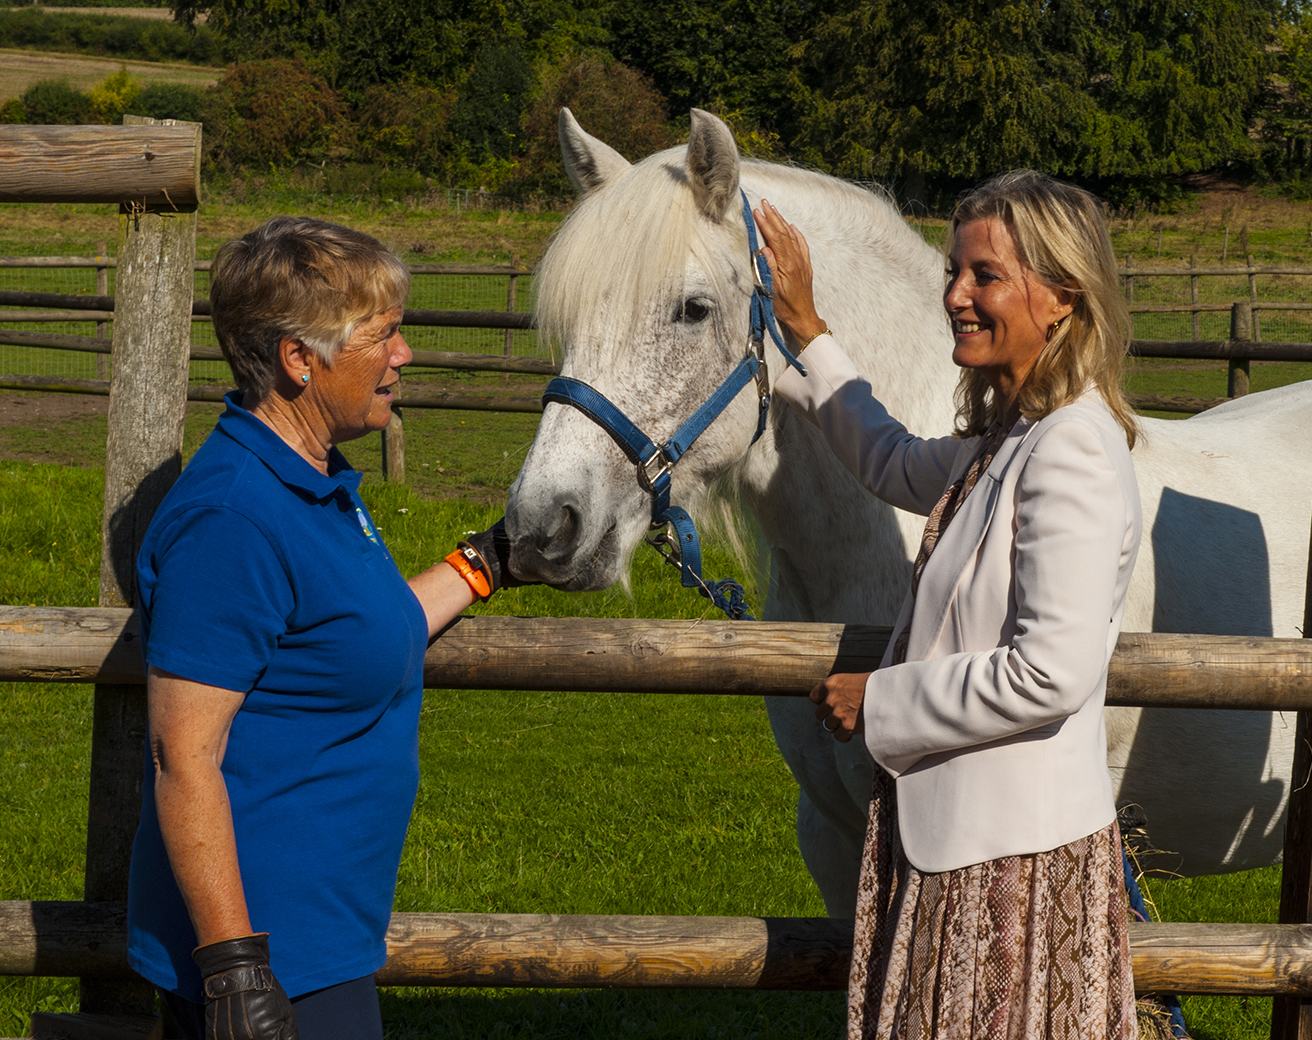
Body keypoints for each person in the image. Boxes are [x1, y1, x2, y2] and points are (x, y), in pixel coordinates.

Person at [754, 171, 1142, 1039]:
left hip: (1009, 867)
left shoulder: (1069, 449)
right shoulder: (1014, 435)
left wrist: (880, 696)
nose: (956, 297)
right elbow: (892, 461)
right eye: (954, 273)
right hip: (972, 848)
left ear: (1061, 298)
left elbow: (1050, 673)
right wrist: (810, 332)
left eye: (985, 277)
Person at [126, 216, 524, 1040]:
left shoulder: (312, 481)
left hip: (319, 943)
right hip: (271, 960)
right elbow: (182, 753)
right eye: (382, 337)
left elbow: (361, 631)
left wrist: (488, 560)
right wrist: (235, 971)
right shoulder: (234, 517)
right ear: (299, 360)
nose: (403, 354)